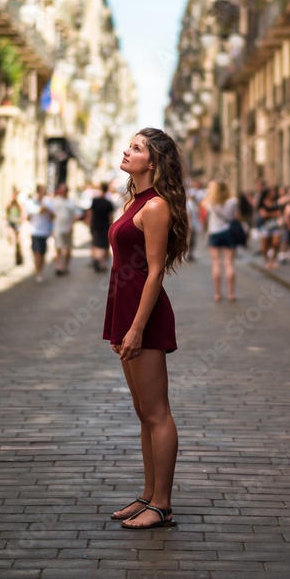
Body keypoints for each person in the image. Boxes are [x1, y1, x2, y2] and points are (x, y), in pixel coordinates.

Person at [105, 128, 189, 530]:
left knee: (157, 412)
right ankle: (148, 495)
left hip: (145, 313)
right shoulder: (135, 200)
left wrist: (137, 328)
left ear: (152, 163)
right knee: (143, 412)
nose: (127, 150)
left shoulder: (154, 206)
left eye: (136, 148)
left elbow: (155, 272)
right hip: (127, 308)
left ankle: (163, 505)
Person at [204, 181, 240, 301]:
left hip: (214, 233)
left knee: (216, 263)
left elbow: (206, 216)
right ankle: (231, 293)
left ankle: (218, 293)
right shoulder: (233, 202)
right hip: (228, 232)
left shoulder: (211, 203)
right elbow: (236, 216)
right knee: (229, 263)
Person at [26, 184, 55, 282]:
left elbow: (54, 214)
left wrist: (47, 210)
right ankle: (38, 272)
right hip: (35, 231)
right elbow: (28, 216)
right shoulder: (31, 202)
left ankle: (40, 270)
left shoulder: (48, 202)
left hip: (45, 231)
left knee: (42, 254)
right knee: (37, 253)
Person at [52, 184, 80, 275]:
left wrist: (71, 224)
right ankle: (58, 266)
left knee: (68, 248)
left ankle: (66, 266)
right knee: (58, 247)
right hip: (58, 228)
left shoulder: (71, 202)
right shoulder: (56, 201)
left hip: (68, 228)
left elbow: (77, 214)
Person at [87, 182, 115, 272]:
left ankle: (96, 258)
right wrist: (111, 226)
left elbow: (91, 214)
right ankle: (103, 263)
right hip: (105, 226)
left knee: (96, 244)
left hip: (95, 225)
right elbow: (111, 217)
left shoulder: (95, 201)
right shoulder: (108, 203)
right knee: (105, 245)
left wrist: (89, 224)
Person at [258, 187, 282, 268]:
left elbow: (279, 213)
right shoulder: (262, 203)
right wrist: (273, 214)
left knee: (276, 243)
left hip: (275, 225)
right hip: (265, 226)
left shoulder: (276, 202)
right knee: (265, 245)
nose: (273, 194)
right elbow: (263, 214)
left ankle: (274, 260)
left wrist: (269, 214)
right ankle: (267, 261)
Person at [6, 187, 25, 265]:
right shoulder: (9, 203)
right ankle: (16, 255)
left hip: (17, 223)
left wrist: (22, 221)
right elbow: (6, 211)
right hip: (11, 222)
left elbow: (22, 212)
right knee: (11, 237)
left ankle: (19, 257)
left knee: (18, 241)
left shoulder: (18, 204)